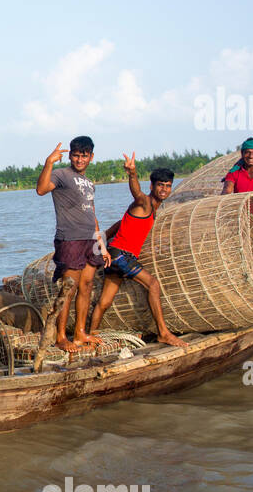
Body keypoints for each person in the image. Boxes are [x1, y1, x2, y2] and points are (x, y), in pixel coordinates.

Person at [88, 156, 187, 348]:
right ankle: (164, 333)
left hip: (114, 255)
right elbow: (136, 192)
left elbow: (121, 223)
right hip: (122, 255)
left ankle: (91, 338)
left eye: (168, 185)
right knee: (153, 284)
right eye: (160, 185)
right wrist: (132, 173)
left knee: (104, 302)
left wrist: (104, 239)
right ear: (152, 186)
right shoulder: (145, 203)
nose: (164, 189)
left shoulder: (153, 209)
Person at [36, 136, 109, 351]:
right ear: (70, 156)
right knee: (68, 288)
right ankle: (60, 336)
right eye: (76, 155)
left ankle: (80, 333)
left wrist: (101, 243)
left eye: (84, 156)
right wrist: (49, 162)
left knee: (86, 286)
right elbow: (41, 189)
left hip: (90, 240)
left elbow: (91, 213)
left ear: (91, 157)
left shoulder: (89, 183)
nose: (79, 159)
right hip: (70, 239)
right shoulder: (61, 175)